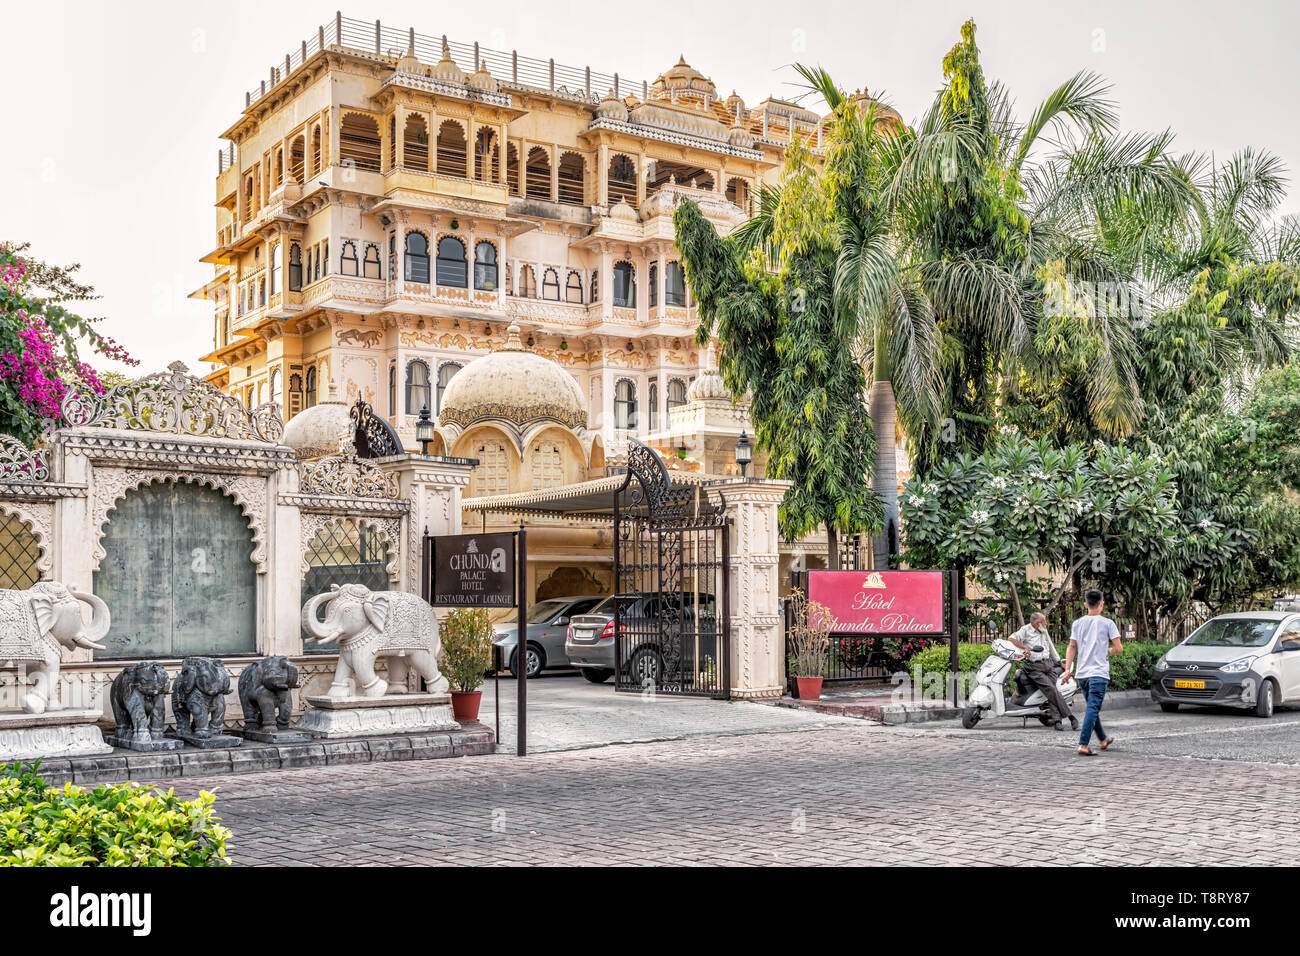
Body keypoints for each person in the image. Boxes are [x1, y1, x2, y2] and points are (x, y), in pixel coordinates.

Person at [1062, 589, 1123, 756]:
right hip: (1099, 674)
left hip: (1082, 675)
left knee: (1092, 708)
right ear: (1102, 604)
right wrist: (1108, 651)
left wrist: (1068, 669)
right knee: (1092, 709)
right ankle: (1083, 744)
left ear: (1085, 605)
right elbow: (1119, 648)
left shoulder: (1077, 623)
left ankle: (1103, 739)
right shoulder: (1108, 623)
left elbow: (1072, 646)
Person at [1008, 612, 1070, 730]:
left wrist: (1058, 661)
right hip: (1034, 666)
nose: (1046, 624)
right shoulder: (1025, 630)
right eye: (1044, 621)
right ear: (1037, 624)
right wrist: (1024, 647)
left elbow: (1051, 647)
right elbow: (1011, 639)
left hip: (1048, 664)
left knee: (1051, 691)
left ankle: (1058, 720)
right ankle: (1066, 717)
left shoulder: (1044, 631)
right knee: (1051, 690)